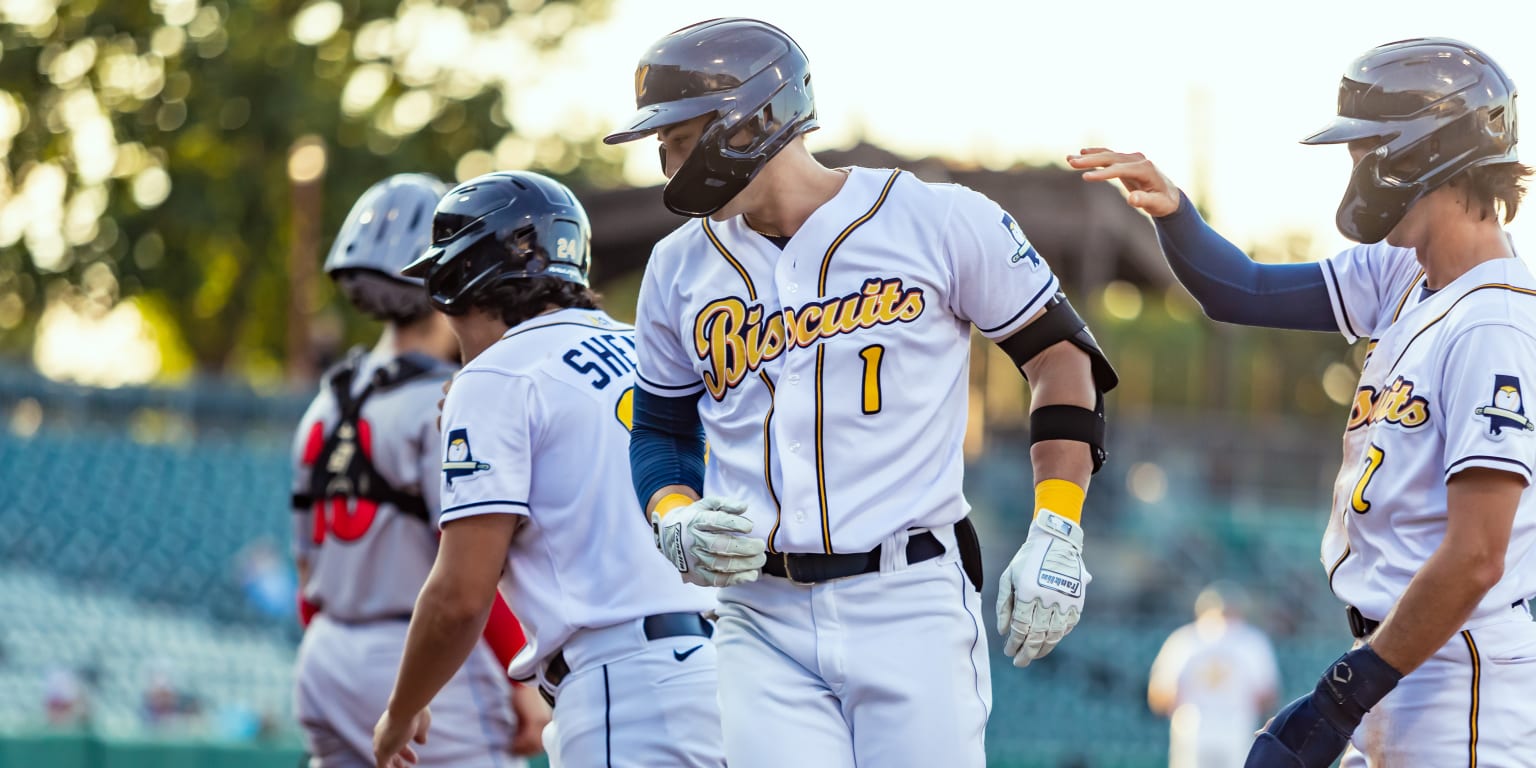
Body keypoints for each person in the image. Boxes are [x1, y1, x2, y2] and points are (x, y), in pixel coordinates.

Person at [603, 18, 1118, 767]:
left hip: (907, 597)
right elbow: (659, 428)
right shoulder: (677, 267)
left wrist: (1058, 525)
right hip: (759, 611)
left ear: (749, 122)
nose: (666, 160)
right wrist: (672, 511)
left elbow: (1061, 358)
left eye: (679, 137)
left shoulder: (937, 219)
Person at [1072, 37, 1536, 768]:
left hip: (1456, 679)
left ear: (1424, 154)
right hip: (1396, 658)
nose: (1355, 171)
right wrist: (1174, 213)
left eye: (1365, 151)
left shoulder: (1497, 323)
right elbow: (1243, 290)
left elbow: (1477, 556)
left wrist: (1337, 701)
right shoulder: (1405, 275)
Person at [371, 171, 726, 768]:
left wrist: (404, 708)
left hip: (628, 689)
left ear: (461, 280)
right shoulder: (650, 347)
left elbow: (459, 596)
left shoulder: (493, 378)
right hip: (727, 669)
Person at [290, 174, 547, 768]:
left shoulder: (324, 404)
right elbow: (466, 572)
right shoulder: (445, 399)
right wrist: (521, 682)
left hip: (323, 655)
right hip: (417, 658)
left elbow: (304, 568)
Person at [1148, 584, 1280, 768]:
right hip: (1236, 727)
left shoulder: (1184, 639)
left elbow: (1160, 695)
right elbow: (1266, 696)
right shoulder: (1251, 640)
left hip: (1192, 727)